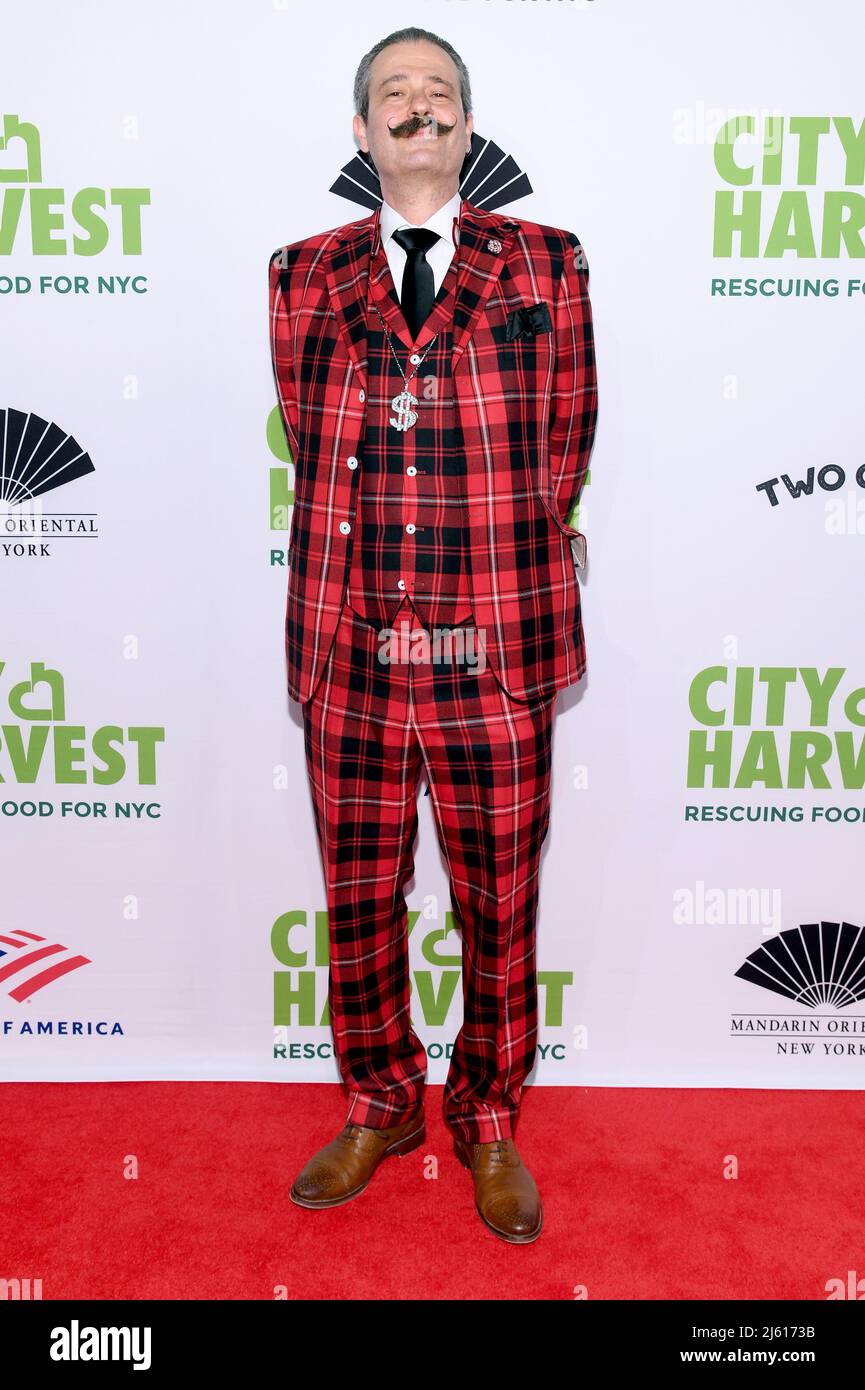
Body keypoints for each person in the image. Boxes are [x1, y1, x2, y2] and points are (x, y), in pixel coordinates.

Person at [268, 25, 598, 1244]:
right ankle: (379, 1102)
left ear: (467, 128)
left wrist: (495, 566)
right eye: (394, 94)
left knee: (498, 897)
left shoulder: (544, 263)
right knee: (357, 894)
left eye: (439, 93)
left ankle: (491, 1118)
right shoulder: (300, 272)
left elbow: (562, 446)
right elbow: (316, 439)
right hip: (350, 643)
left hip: (492, 640)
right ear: (361, 132)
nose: (418, 107)